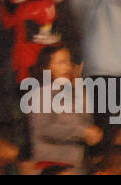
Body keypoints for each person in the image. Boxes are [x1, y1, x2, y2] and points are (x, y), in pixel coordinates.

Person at [26, 46, 102, 174]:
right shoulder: (41, 94)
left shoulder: (72, 93)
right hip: (53, 166)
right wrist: (81, 132)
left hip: (76, 165)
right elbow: (44, 128)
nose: (67, 67)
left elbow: (86, 121)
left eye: (69, 62)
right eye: (62, 62)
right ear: (47, 67)